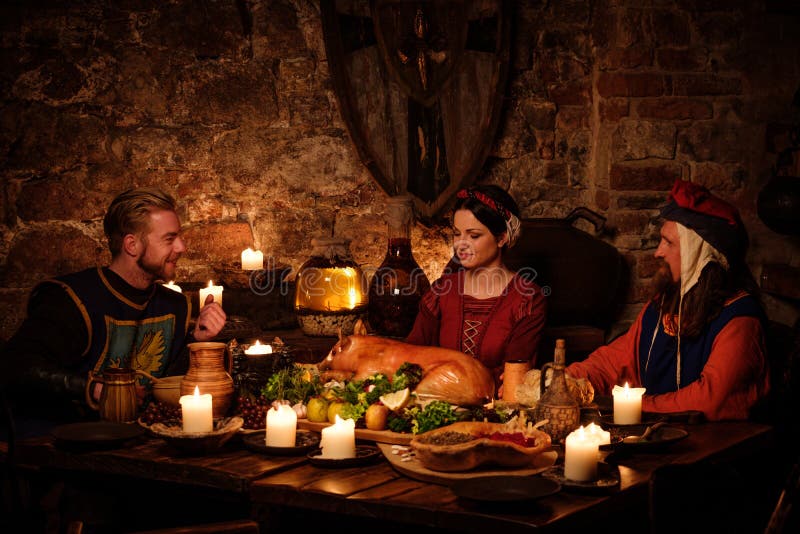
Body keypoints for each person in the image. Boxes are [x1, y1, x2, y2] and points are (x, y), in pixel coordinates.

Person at [0, 187, 226, 436]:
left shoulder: (175, 305)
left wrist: (198, 340)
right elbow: (15, 366)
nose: (181, 247)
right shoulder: (72, 299)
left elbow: (164, 386)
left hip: (136, 447)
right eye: (169, 239)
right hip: (62, 448)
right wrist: (94, 388)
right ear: (132, 245)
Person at [566, 179, 769, 421]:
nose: (658, 252)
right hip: (663, 438)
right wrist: (564, 379)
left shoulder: (740, 321)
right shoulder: (662, 306)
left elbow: (709, 400)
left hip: (715, 449)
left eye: (669, 242)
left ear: (700, 256)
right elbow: (615, 361)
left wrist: (634, 405)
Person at [405, 184, 547, 391]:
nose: (461, 245)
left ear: (502, 238)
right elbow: (411, 355)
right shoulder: (441, 291)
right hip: (434, 402)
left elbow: (513, 378)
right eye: (456, 234)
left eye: (474, 236)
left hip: (496, 412)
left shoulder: (527, 299)